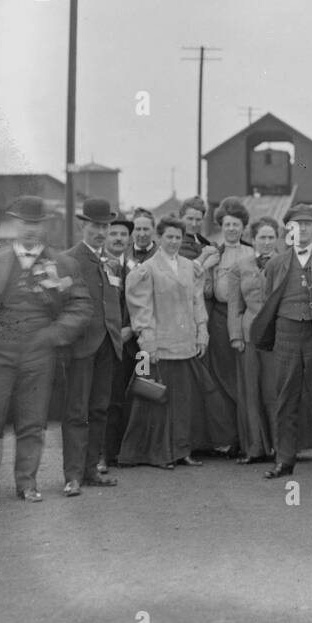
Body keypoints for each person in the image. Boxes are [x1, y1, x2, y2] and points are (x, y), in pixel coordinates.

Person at [0, 196, 92, 507]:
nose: (30, 229)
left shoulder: (63, 264)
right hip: (0, 354)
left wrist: (53, 334)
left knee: (32, 423)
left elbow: (81, 306)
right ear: (14, 225)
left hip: (39, 355)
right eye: (24, 222)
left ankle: (27, 483)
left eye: (36, 223)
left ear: (44, 226)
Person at [253, 204, 312, 479]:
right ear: (288, 229)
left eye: (307, 224)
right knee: (285, 399)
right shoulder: (276, 263)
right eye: (295, 224)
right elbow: (268, 298)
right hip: (287, 334)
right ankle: (284, 459)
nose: (301, 229)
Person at [118, 216, 211, 471]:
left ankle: (182, 451)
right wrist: (148, 344)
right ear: (159, 238)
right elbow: (141, 310)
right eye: (169, 237)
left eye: (177, 237)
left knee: (183, 402)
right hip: (157, 346)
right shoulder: (145, 270)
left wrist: (202, 332)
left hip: (185, 345)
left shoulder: (190, 267)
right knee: (155, 399)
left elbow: (197, 302)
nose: (173, 242)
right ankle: (159, 453)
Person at [55, 198, 124, 495]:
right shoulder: (67, 260)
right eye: (95, 225)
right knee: (76, 411)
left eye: (105, 226)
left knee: (99, 409)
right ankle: (72, 475)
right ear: (83, 225)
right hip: (81, 348)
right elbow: (57, 305)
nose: (100, 231)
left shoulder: (109, 262)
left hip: (108, 345)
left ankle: (91, 469)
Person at [197, 196, 254, 454]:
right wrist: (207, 270)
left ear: (243, 227)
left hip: (244, 318)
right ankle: (227, 437)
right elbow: (205, 292)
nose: (231, 229)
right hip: (219, 320)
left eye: (236, 224)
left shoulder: (251, 253)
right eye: (227, 224)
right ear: (221, 226)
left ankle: (247, 436)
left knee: (243, 376)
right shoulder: (212, 252)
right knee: (222, 377)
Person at [227, 217, 282, 462]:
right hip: (250, 335)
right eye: (262, 237)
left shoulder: (285, 263)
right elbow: (234, 306)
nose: (267, 242)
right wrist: (236, 336)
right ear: (254, 239)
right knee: (251, 391)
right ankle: (255, 447)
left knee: (275, 391)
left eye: (271, 237)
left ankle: (281, 447)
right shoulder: (241, 266)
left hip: (279, 336)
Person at [99, 212, 135, 474]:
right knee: (103, 398)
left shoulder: (135, 267)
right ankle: (102, 453)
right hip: (102, 342)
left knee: (125, 398)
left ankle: (121, 451)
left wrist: (131, 328)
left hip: (130, 342)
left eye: (123, 234)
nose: (119, 238)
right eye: (114, 233)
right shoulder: (97, 265)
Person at [178, 197, 212, 261]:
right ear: (180, 218)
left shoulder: (199, 239)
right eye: (190, 219)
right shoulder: (175, 243)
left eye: (198, 220)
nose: (194, 224)